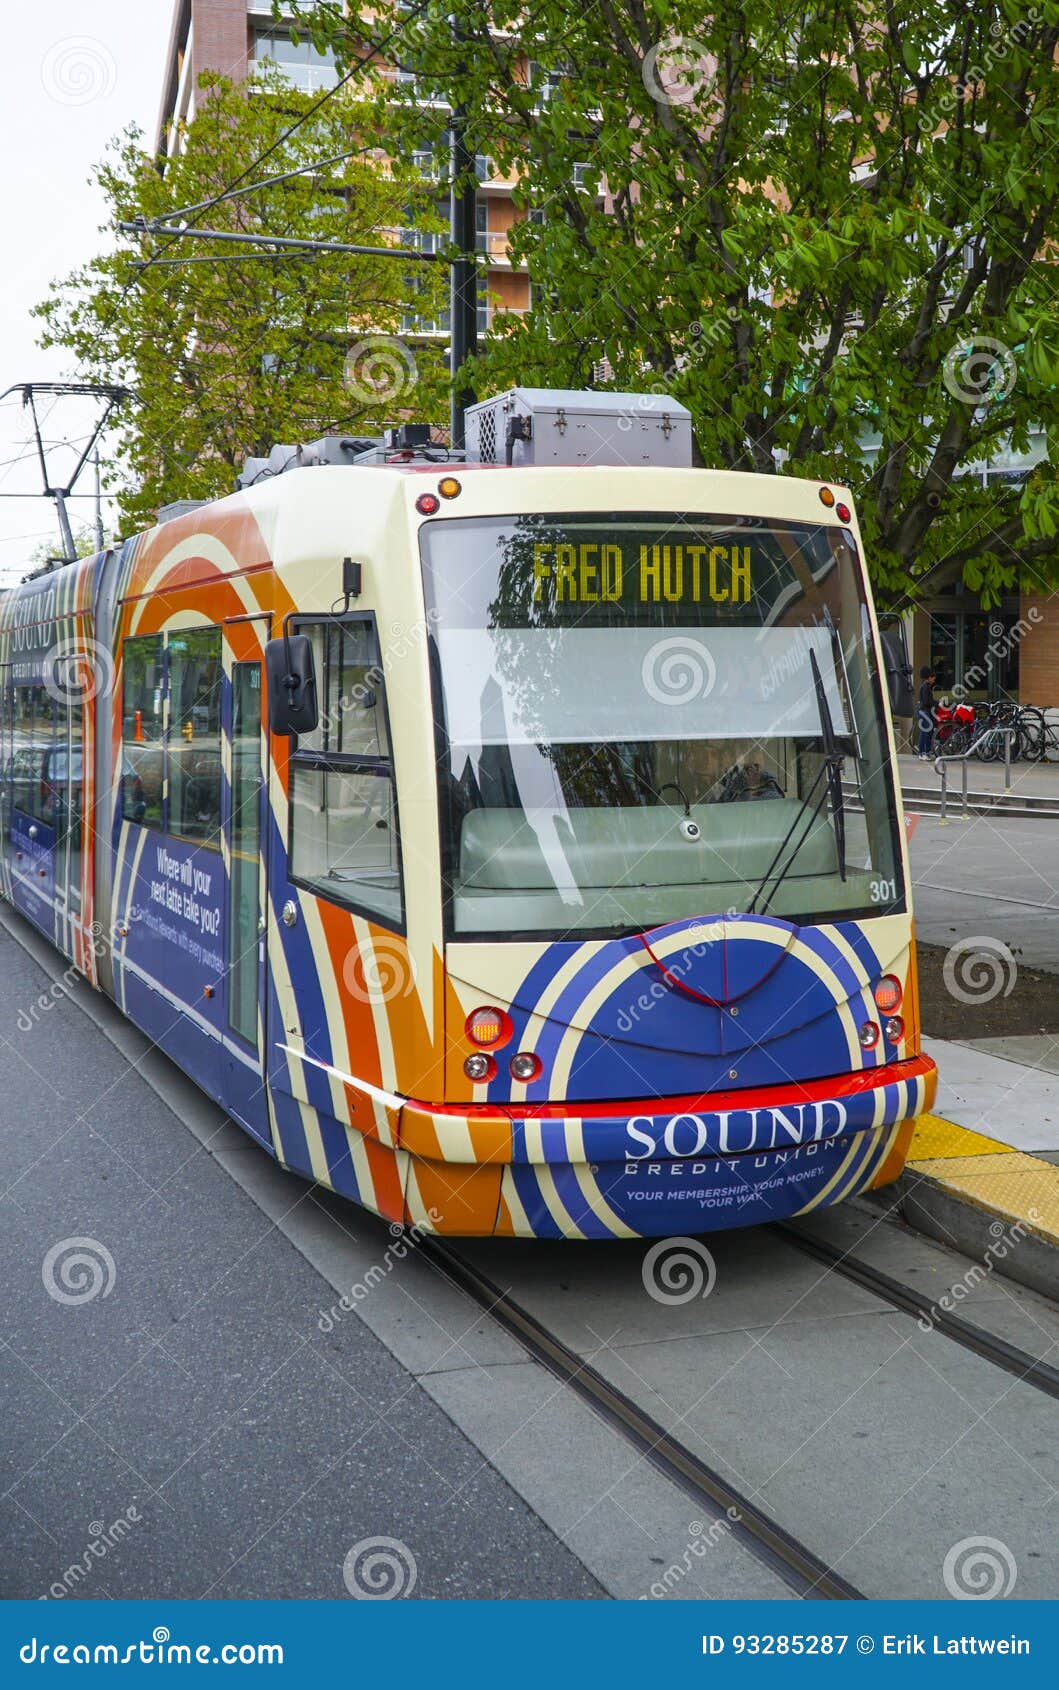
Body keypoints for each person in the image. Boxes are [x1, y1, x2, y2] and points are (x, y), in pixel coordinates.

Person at [916, 666, 936, 757]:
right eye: (933, 678)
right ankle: (922, 752)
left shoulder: (925, 686)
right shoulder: (925, 687)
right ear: (929, 677)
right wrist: (936, 703)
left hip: (924, 711)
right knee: (924, 733)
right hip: (925, 711)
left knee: (926, 732)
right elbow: (927, 701)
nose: (933, 680)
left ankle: (925, 752)